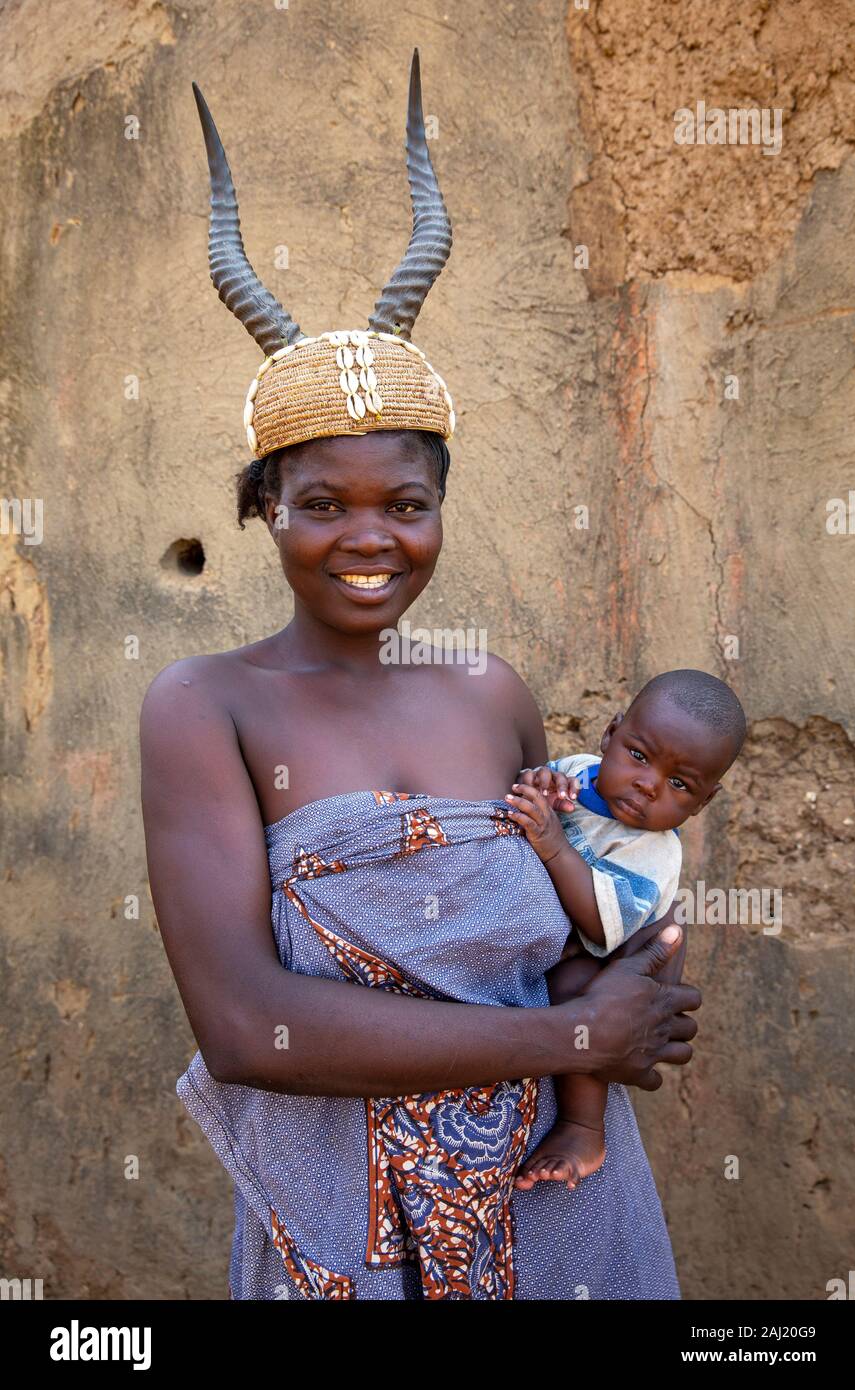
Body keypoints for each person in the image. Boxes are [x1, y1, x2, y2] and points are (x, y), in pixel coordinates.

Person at [140, 49, 700, 1300]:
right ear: (263, 511)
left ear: (439, 509)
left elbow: (571, 914)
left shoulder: (486, 691)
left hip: (560, 1196)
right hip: (346, 1221)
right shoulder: (205, 706)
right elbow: (244, 1029)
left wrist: (636, 983)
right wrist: (569, 1034)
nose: (368, 539)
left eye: (404, 501)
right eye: (320, 502)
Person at [504, 670, 746, 1191]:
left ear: (703, 802)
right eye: (639, 755)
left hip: (606, 970)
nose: (648, 784)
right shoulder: (579, 772)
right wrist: (539, 784)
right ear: (610, 736)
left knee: (578, 999)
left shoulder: (653, 850)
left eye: (679, 784)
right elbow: (525, 799)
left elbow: (599, 922)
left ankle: (583, 1128)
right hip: (548, 954)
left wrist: (552, 844)